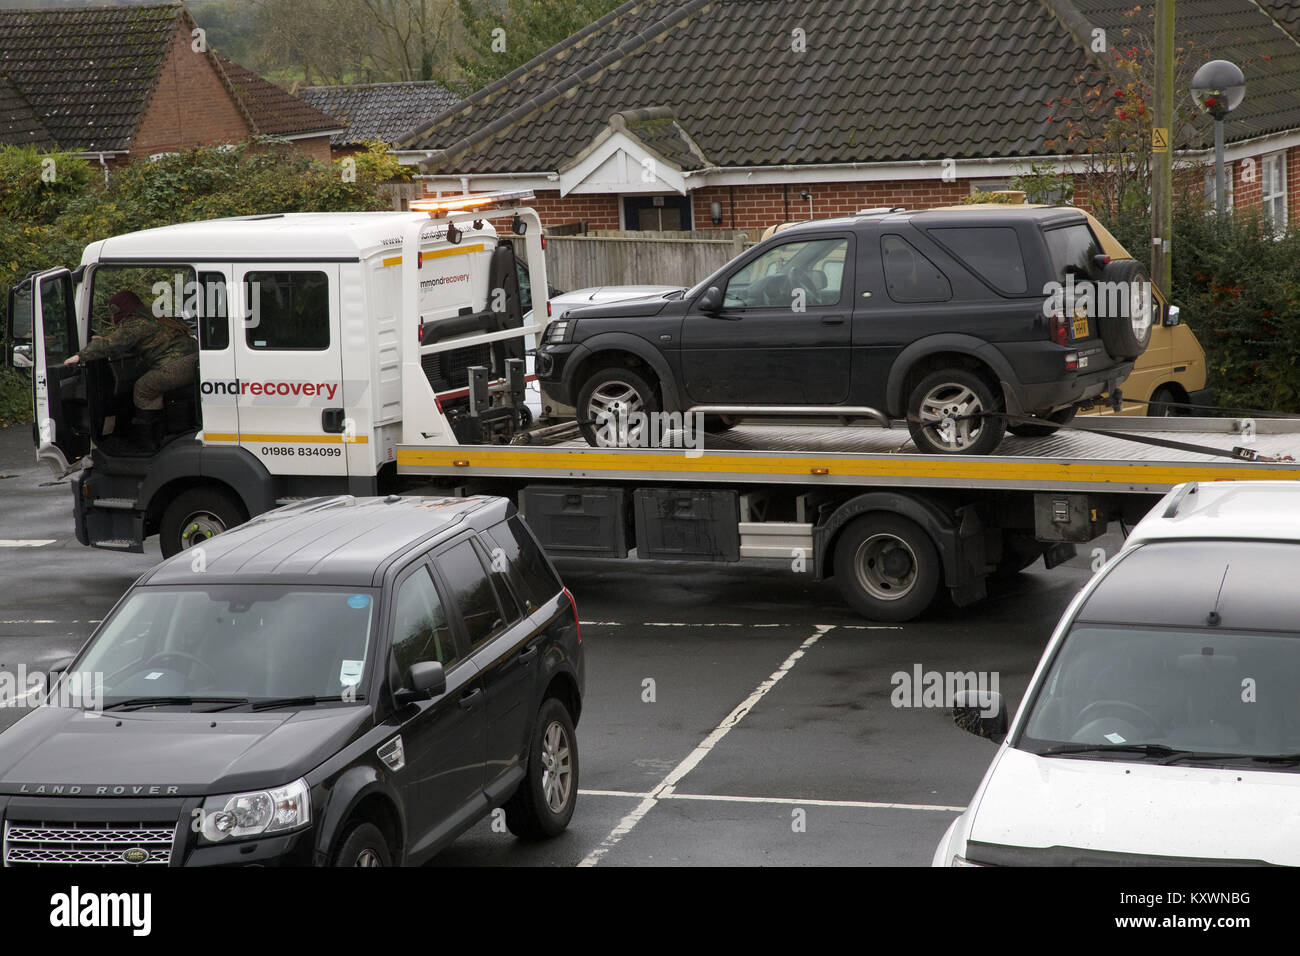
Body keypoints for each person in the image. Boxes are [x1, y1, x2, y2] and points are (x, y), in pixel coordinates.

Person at [64, 290, 198, 450]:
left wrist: (80, 356)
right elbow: (141, 341)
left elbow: (114, 343)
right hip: (194, 360)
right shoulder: (153, 315)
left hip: (177, 364)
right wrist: (107, 340)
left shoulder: (136, 322)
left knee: (143, 388)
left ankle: (147, 441)